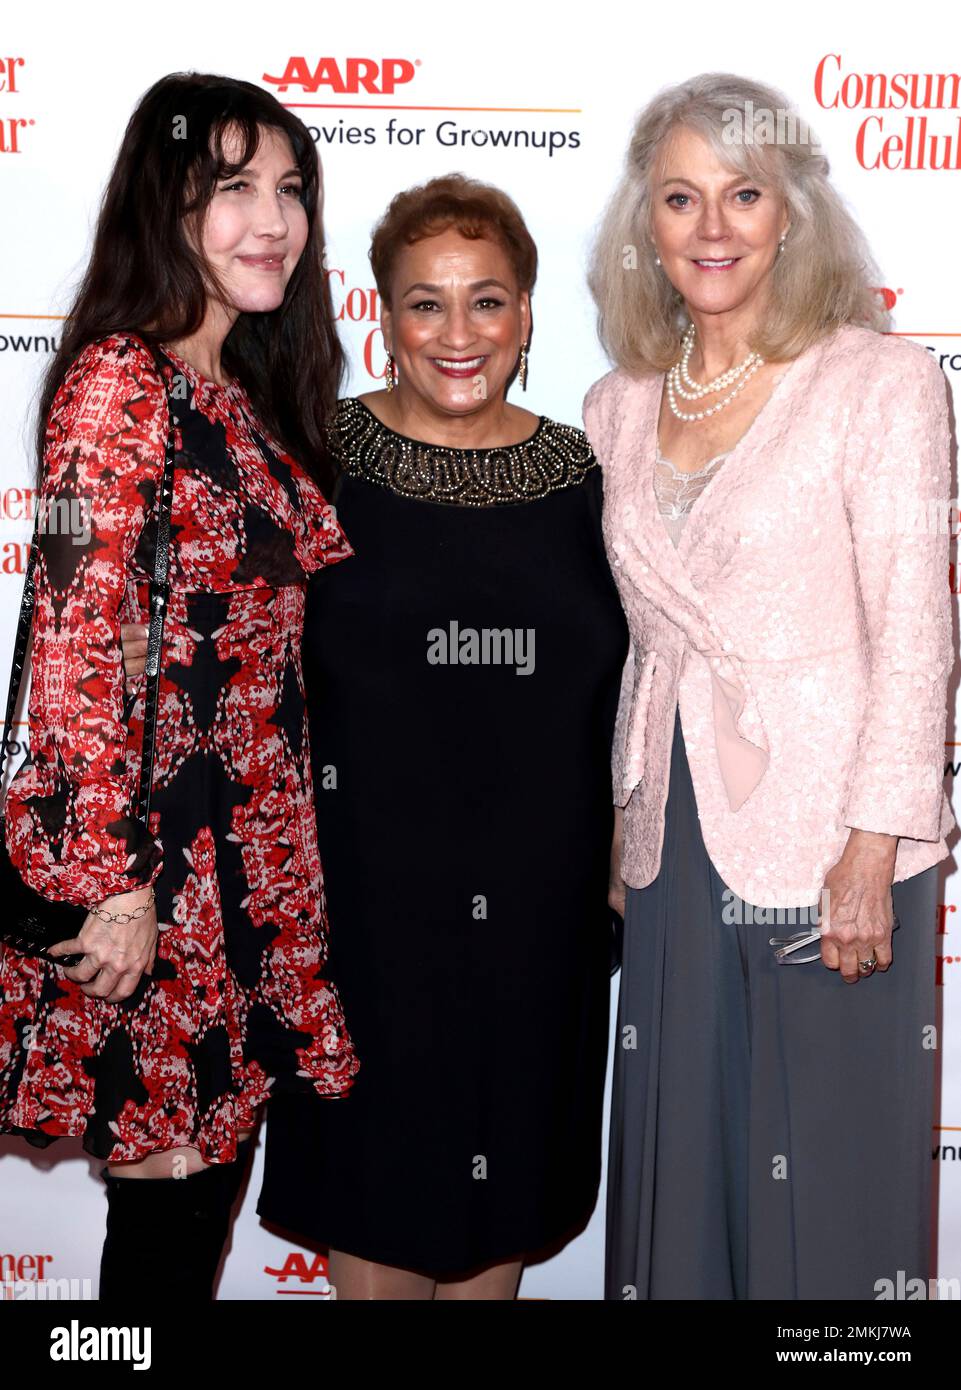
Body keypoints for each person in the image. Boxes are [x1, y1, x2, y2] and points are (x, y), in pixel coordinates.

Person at [125, 172, 628, 1299]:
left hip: (541, 933)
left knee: (501, 1217)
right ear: (381, 316)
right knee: (384, 1216)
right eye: (425, 303)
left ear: (529, 314)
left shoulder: (594, 478)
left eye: (487, 301)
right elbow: (204, 662)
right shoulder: (310, 460)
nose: (459, 333)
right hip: (359, 927)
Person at [584, 71, 955, 1300]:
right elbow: (635, 641)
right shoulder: (615, 406)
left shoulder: (879, 381)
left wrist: (872, 846)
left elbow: (915, 629)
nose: (712, 227)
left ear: (790, 210)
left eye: (743, 193)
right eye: (679, 198)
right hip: (672, 834)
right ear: (646, 221)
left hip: (835, 831)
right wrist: (620, 824)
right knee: (684, 1168)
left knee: (835, 1181)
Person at [0, 72, 357, 1300]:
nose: (274, 220)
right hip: (161, 883)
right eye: (232, 187)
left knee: (188, 1218)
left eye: (291, 189)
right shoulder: (120, 384)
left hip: (243, 873)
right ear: (169, 203)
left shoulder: (237, 392)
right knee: (161, 1237)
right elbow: (77, 648)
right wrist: (112, 887)